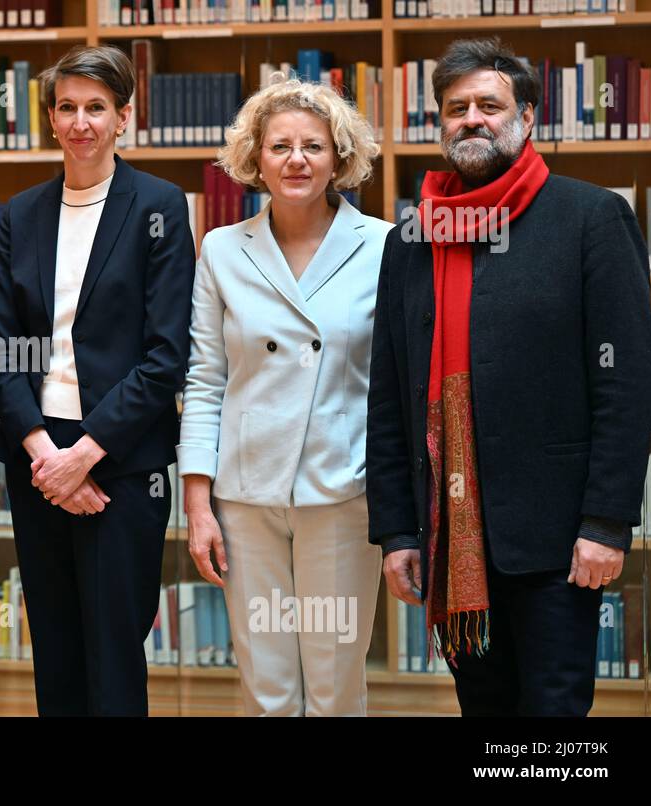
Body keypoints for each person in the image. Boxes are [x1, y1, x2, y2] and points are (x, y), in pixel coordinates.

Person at [366, 37, 651, 716]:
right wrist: (398, 532)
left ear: (526, 117)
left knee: (553, 711)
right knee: (484, 710)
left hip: (558, 535)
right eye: (455, 107)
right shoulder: (409, 240)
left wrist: (607, 522)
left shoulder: (590, 217)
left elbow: (625, 383)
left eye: (489, 105)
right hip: (448, 535)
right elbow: (390, 394)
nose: (472, 118)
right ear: (439, 123)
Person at [0, 45, 196, 716]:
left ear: (123, 116)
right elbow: (1, 350)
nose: (81, 122)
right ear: (50, 118)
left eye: (96, 108)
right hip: (38, 455)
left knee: (113, 655)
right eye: (68, 107)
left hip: (121, 459)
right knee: (55, 650)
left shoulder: (159, 205)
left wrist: (84, 456)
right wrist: (47, 455)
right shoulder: (23, 212)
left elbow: (166, 355)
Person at [177, 78, 391, 716]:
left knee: (334, 687)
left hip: (342, 491)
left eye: (313, 146)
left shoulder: (384, 246)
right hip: (246, 498)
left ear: (338, 157)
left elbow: (396, 383)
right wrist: (198, 503)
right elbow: (205, 379)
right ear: (256, 158)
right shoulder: (222, 249)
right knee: (265, 688)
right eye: (280, 147)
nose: (296, 160)